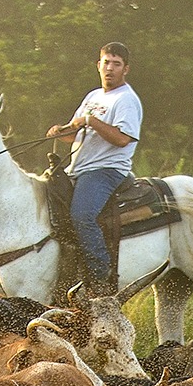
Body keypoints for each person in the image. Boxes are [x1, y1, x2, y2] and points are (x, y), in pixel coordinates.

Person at [47, 42, 142, 296]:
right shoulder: (93, 96)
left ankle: (101, 280)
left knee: (82, 216)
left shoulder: (126, 100)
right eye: (106, 63)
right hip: (78, 168)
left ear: (126, 69)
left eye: (116, 64)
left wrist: (91, 120)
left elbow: (122, 138)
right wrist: (60, 132)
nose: (110, 68)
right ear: (98, 65)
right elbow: (74, 133)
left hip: (106, 170)